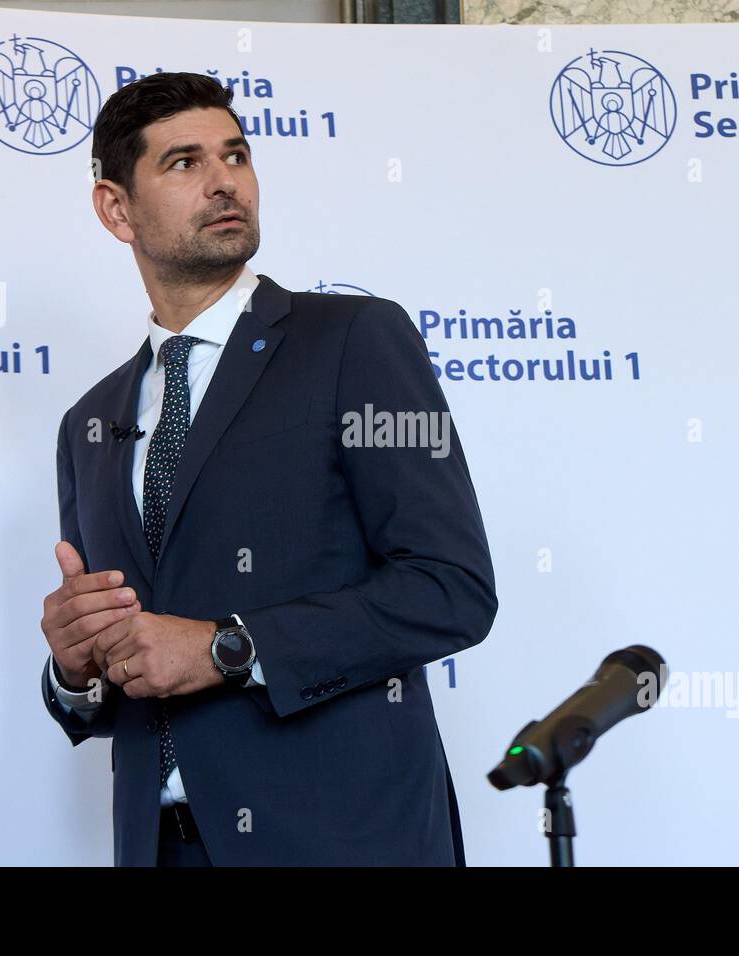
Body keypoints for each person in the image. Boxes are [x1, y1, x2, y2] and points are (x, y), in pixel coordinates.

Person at [37, 72, 498, 866]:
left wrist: (226, 646)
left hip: (343, 844)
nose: (224, 182)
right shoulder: (88, 423)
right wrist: (75, 669)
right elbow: (128, 680)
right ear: (116, 208)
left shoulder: (357, 340)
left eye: (236, 155)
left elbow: (450, 589)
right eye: (183, 163)